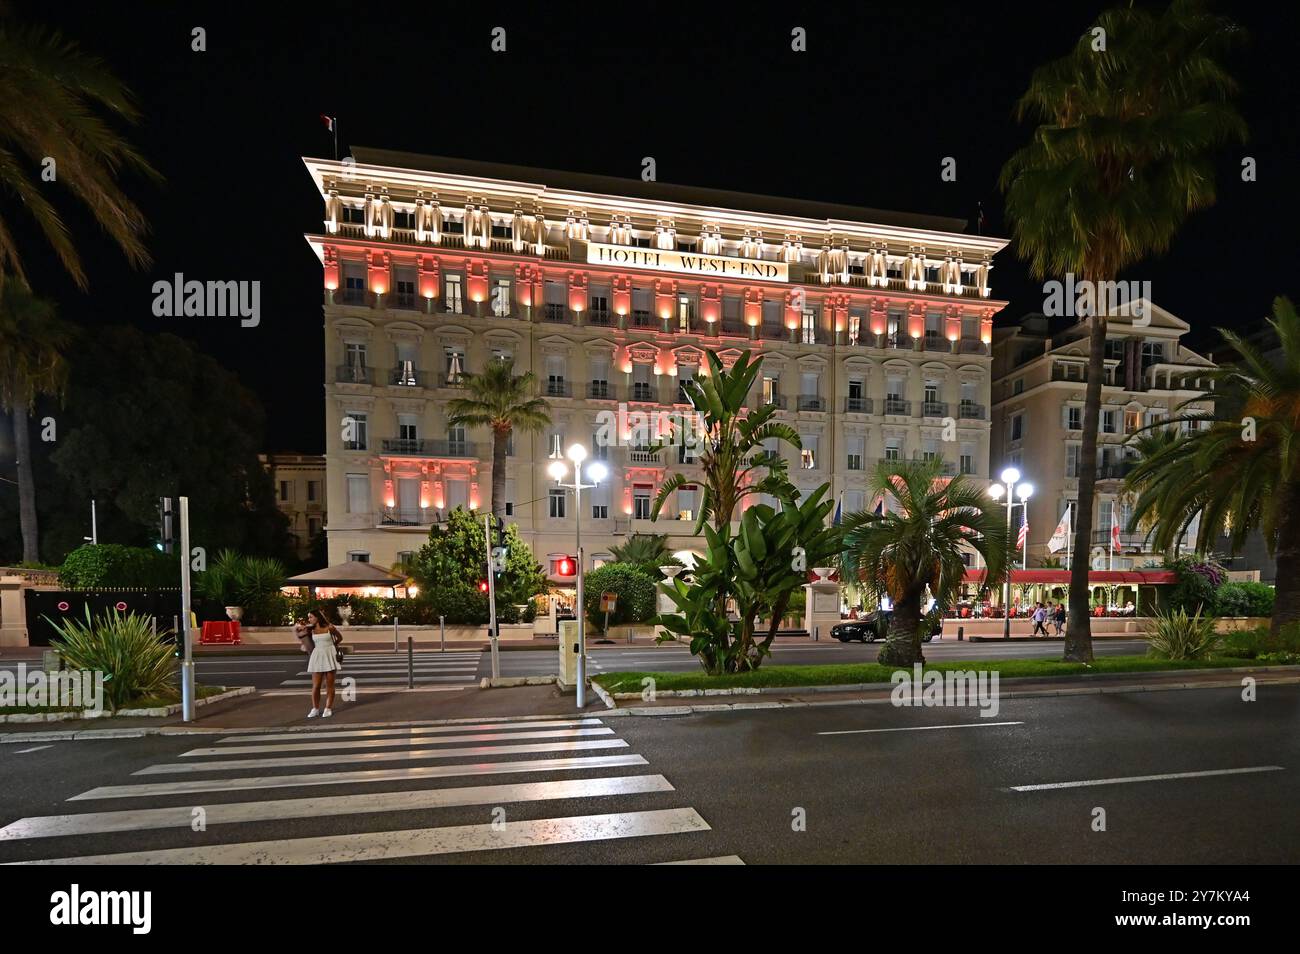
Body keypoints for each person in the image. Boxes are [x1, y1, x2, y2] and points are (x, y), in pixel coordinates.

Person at [295, 609, 343, 718]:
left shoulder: (329, 627)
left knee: (329, 685)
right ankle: (315, 709)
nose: (309, 619)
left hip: (329, 654)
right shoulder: (310, 630)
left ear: (317, 617)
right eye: (309, 617)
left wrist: (332, 645)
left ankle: (328, 708)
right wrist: (301, 629)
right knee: (316, 686)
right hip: (317, 655)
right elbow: (300, 636)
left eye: (311, 617)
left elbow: (340, 638)